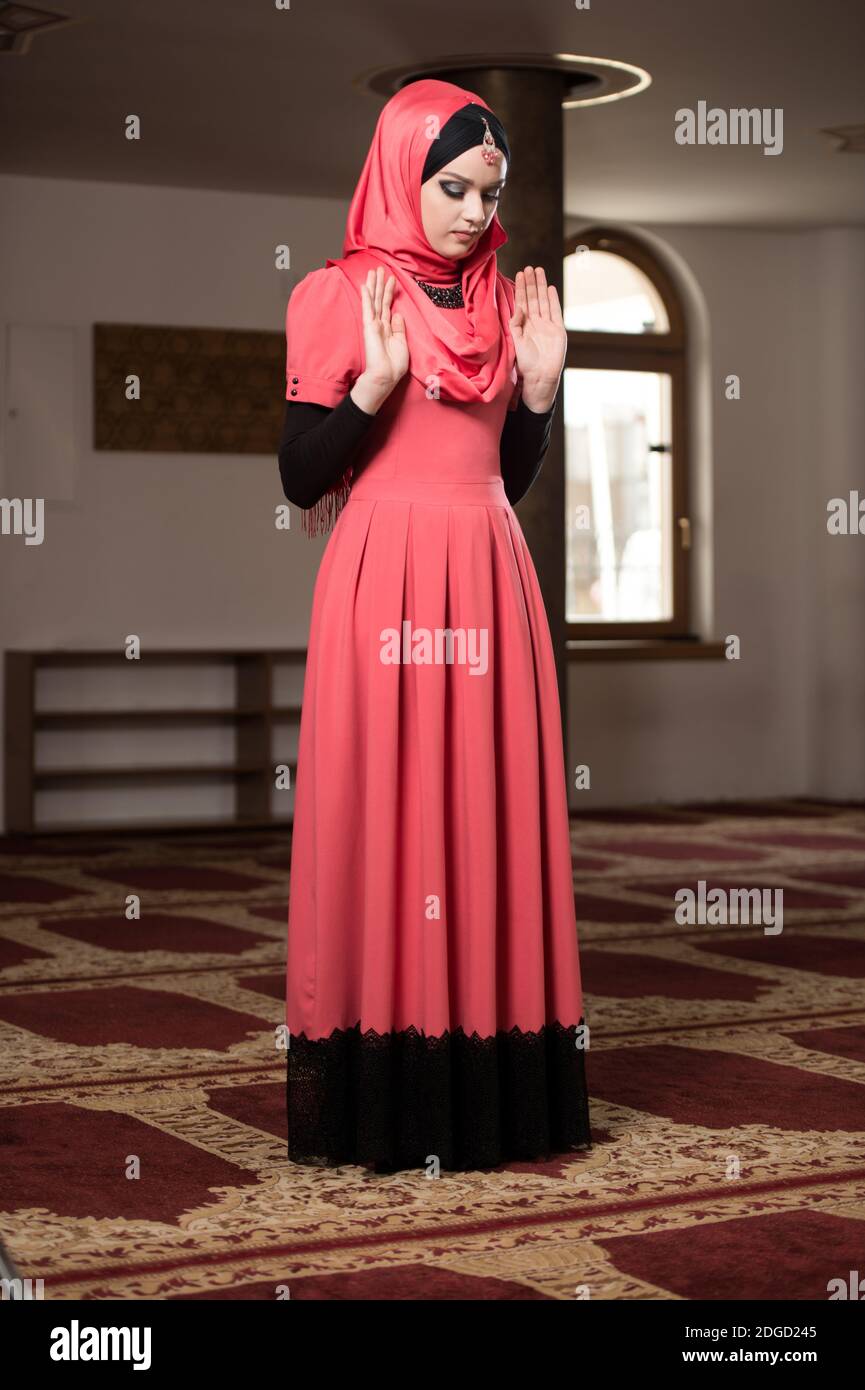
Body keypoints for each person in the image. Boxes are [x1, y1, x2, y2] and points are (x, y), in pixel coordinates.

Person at [282, 77, 591, 1173]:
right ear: (401, 172)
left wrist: (541, 396)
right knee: (387, 809)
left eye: (488, 190)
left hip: (489, 567)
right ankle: (387, 1094)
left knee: (485, 808)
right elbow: (298, 472)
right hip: (385, 575)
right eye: (451, 185)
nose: (470, 209)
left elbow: (504, 470)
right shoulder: (339, 291)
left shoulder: (505, 301)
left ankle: (493, 1089)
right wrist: (369, 393)